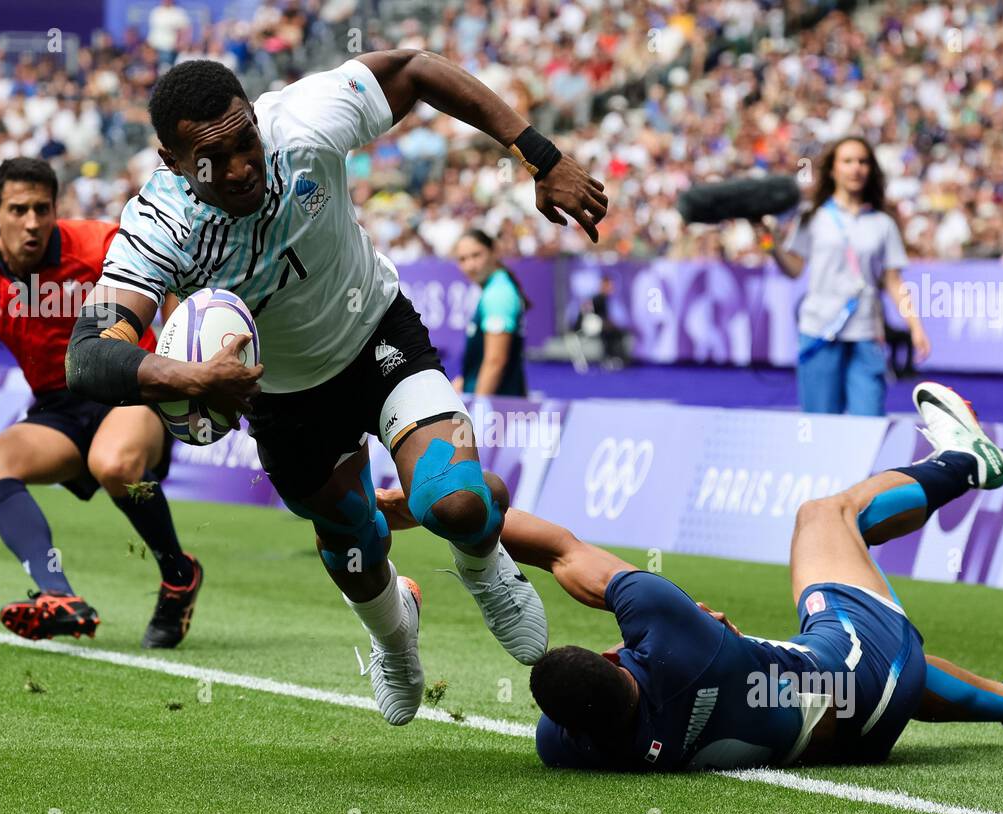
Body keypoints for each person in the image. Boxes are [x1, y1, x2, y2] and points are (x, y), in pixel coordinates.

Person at [64, 53, 608, 725]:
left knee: (459, 505)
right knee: (354, 544)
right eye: (213, 157)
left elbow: (417, 70)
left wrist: (539, 154)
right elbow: (87, 357)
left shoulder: (303, 120)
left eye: (245, 142)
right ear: (173, 161)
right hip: (283, 398)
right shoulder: (157, 226)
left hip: (378, 335)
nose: (240, 168)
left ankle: (484, 565)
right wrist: (191, 378)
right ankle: (396, 638)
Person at [378, 381, 1003, 771]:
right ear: (613, 653)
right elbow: (564, 550)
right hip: (859, 670)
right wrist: (449, 512)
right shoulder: (671, 635)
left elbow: (585, 707)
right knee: (824, 516)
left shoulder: (575, 749)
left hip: (856, 734)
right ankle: (966, 464)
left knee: (867, 671)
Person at [0, 158, 202, 647]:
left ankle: (178, 575)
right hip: (56, 408)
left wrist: (176, 347)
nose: (33, 222)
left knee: (114, 462)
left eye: (43, 208)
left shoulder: (98, 245)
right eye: (18, 209)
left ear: (55, 208)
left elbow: (173, 277)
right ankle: (57, 595)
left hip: (131, 387)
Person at [760, 136, 930, 417]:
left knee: (870, 423)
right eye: (848, 161)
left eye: (863, 162)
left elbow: (893, 281)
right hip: (819, 331)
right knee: (820, 425)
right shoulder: (811, 218)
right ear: (832, 169)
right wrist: (771, 245)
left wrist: (915, 325)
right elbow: (794, 269)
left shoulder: (883, 223)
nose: (856, 168)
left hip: (866, 333)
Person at [451, 229, 528, 397]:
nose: (470, 265)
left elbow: (495, 362)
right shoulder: (494, 288)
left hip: (498, 411)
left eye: (476, 255)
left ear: (493, 252)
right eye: (462, 259)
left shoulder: (498, 293)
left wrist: (477, 410)